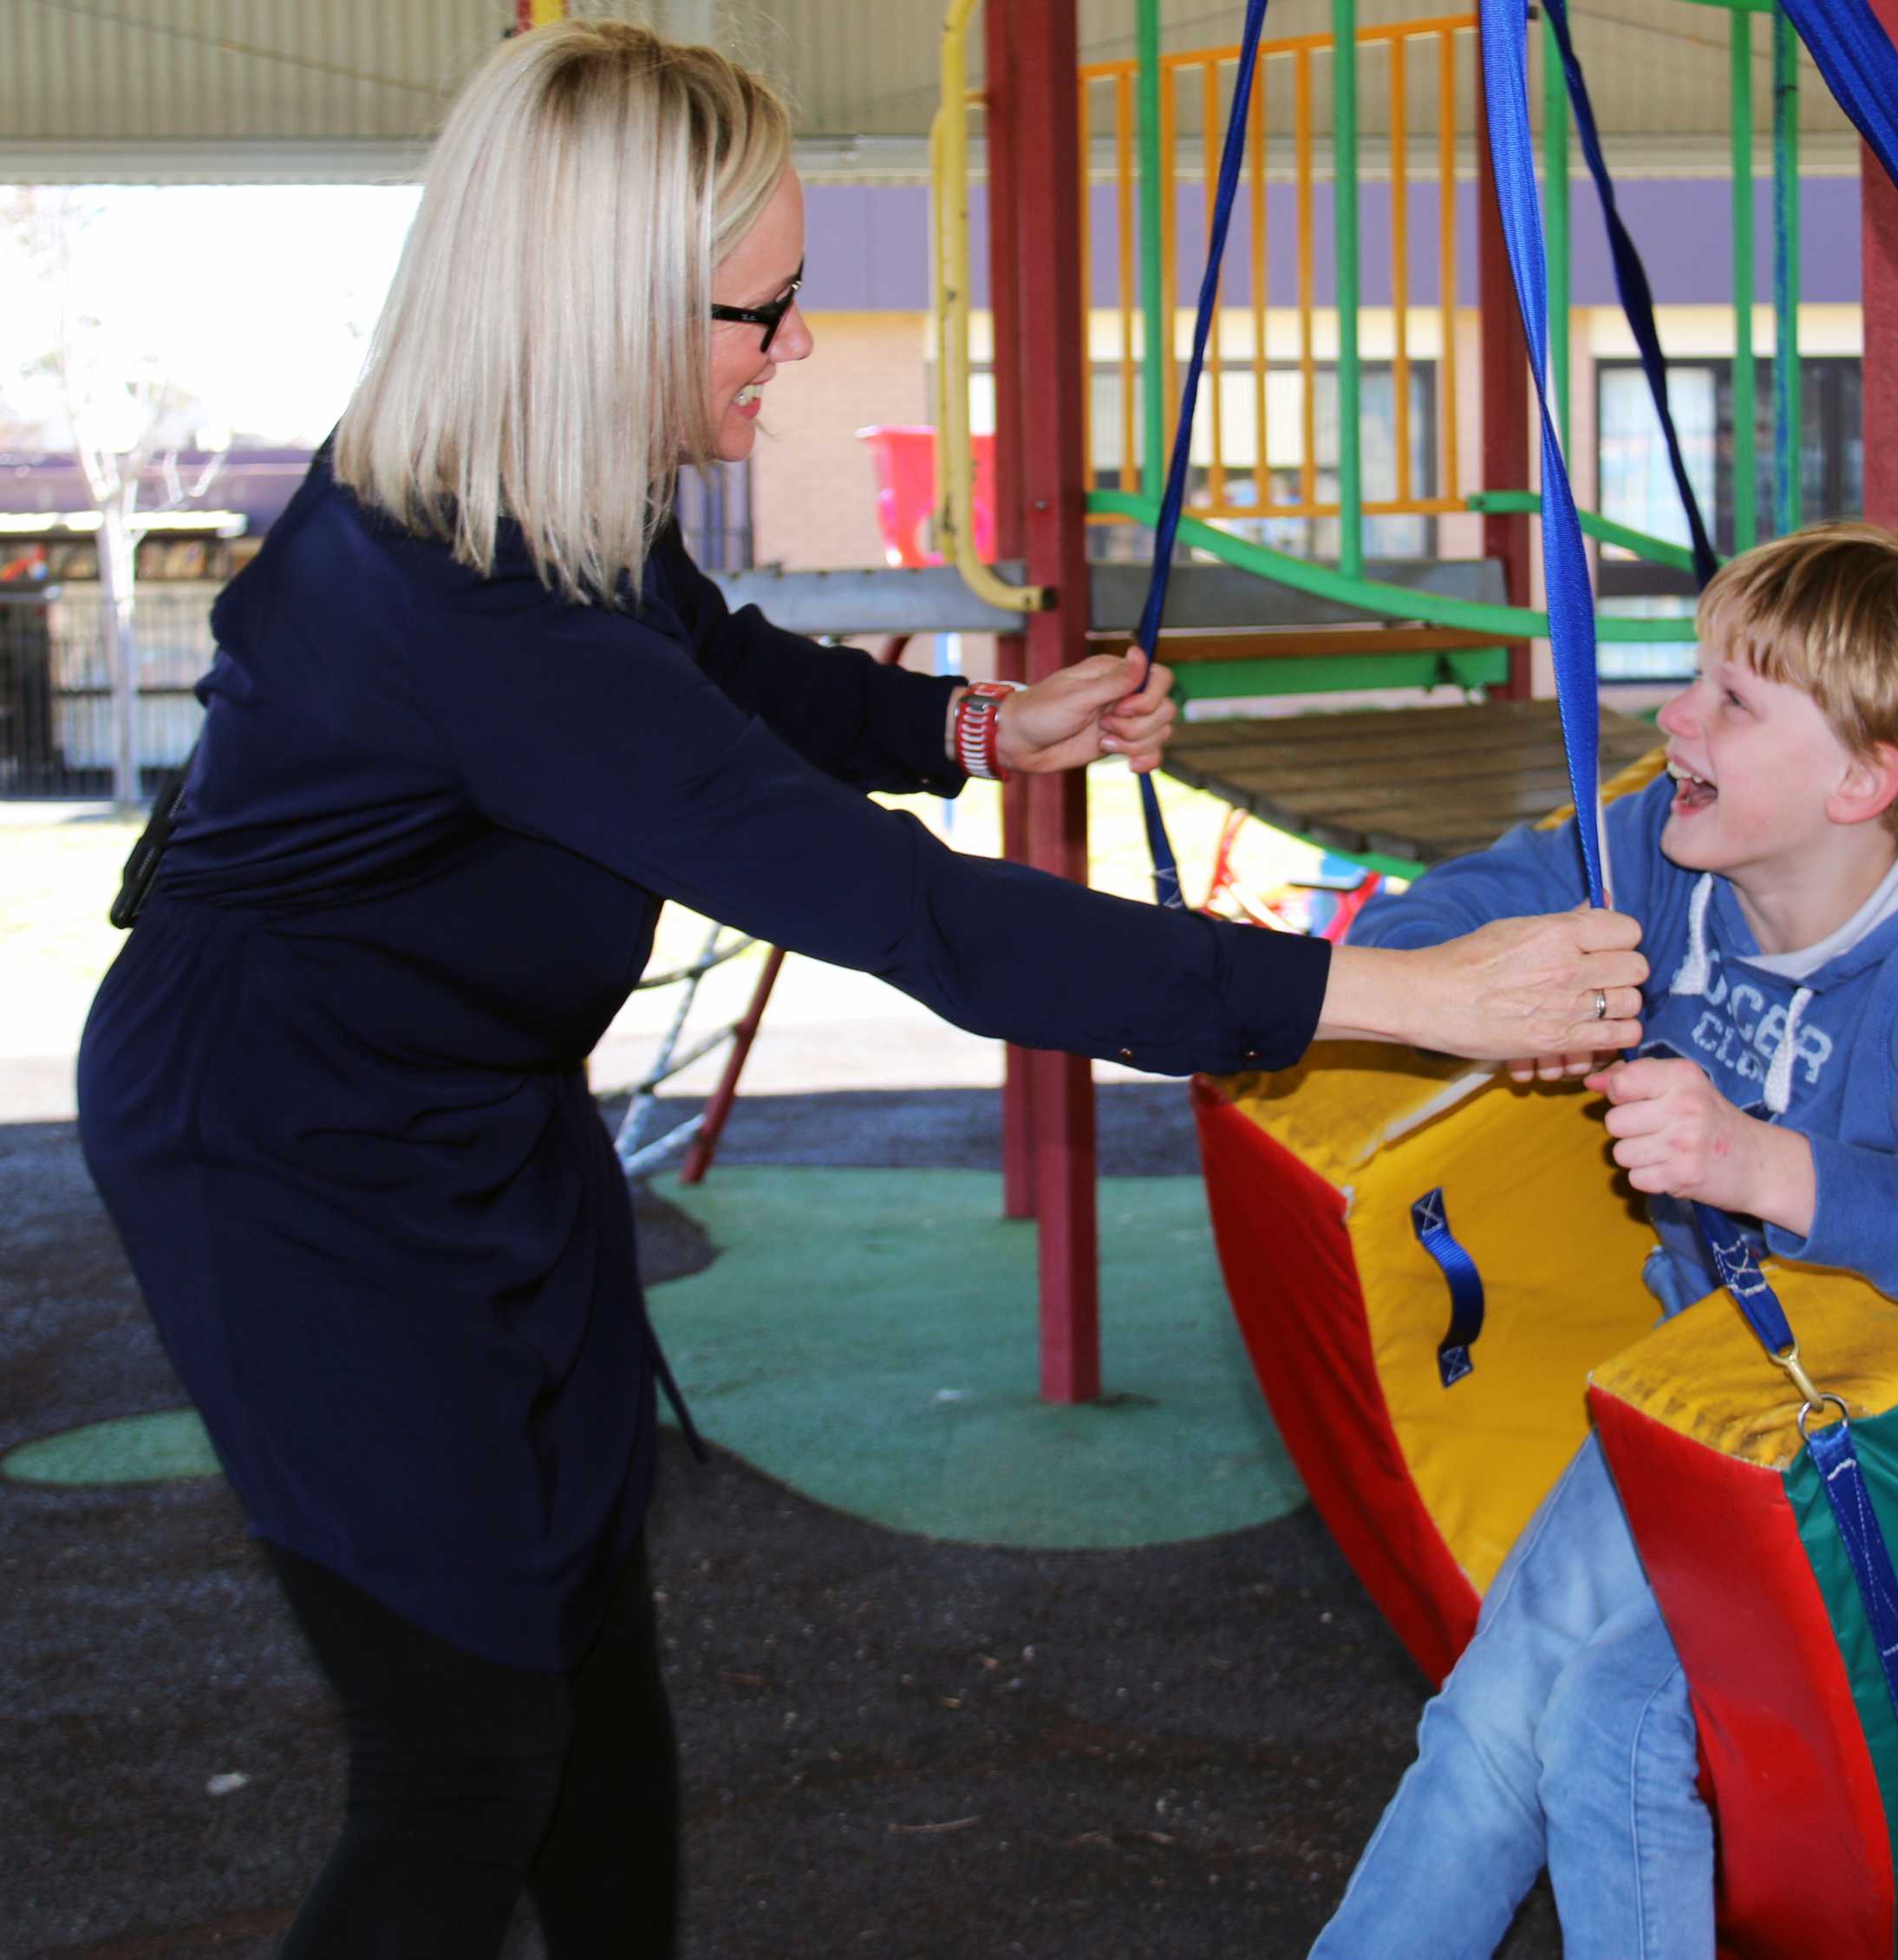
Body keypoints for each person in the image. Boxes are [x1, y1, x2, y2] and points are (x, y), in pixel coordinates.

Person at [72, 22, 1647, 1959]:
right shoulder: (467, 609)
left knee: (582, 1628)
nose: (798, 343)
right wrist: (1411, 993)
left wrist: (982, 721)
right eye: (768, 308)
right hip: (286, 1154)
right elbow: (934, 927)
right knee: (464, 1738)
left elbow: (710, 668)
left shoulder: (544, 505)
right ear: (605, 315)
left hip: (460, 1091)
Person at [1311, 521, 1898, 1958]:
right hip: (1717, 1410)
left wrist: (1761, 1164)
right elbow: (1482, 908)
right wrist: (1382, 990)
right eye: (1695, 678)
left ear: (1863, 779)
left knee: (1597, 1727)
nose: (1674, 717)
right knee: (1525, 1722)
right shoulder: (1668, 866)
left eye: (1732, 702)